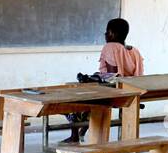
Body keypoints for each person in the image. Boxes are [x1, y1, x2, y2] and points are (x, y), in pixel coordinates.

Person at [60, 17, 145, 145]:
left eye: (107, 31)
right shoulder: (134, 50)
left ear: (112, 34)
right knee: (88, 96)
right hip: (130, 90)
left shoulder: (110, 47)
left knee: (73, 97)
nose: (105, 34)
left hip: (113, 91)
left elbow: (111, 76)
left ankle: (75, 135)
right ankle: (82, 131)